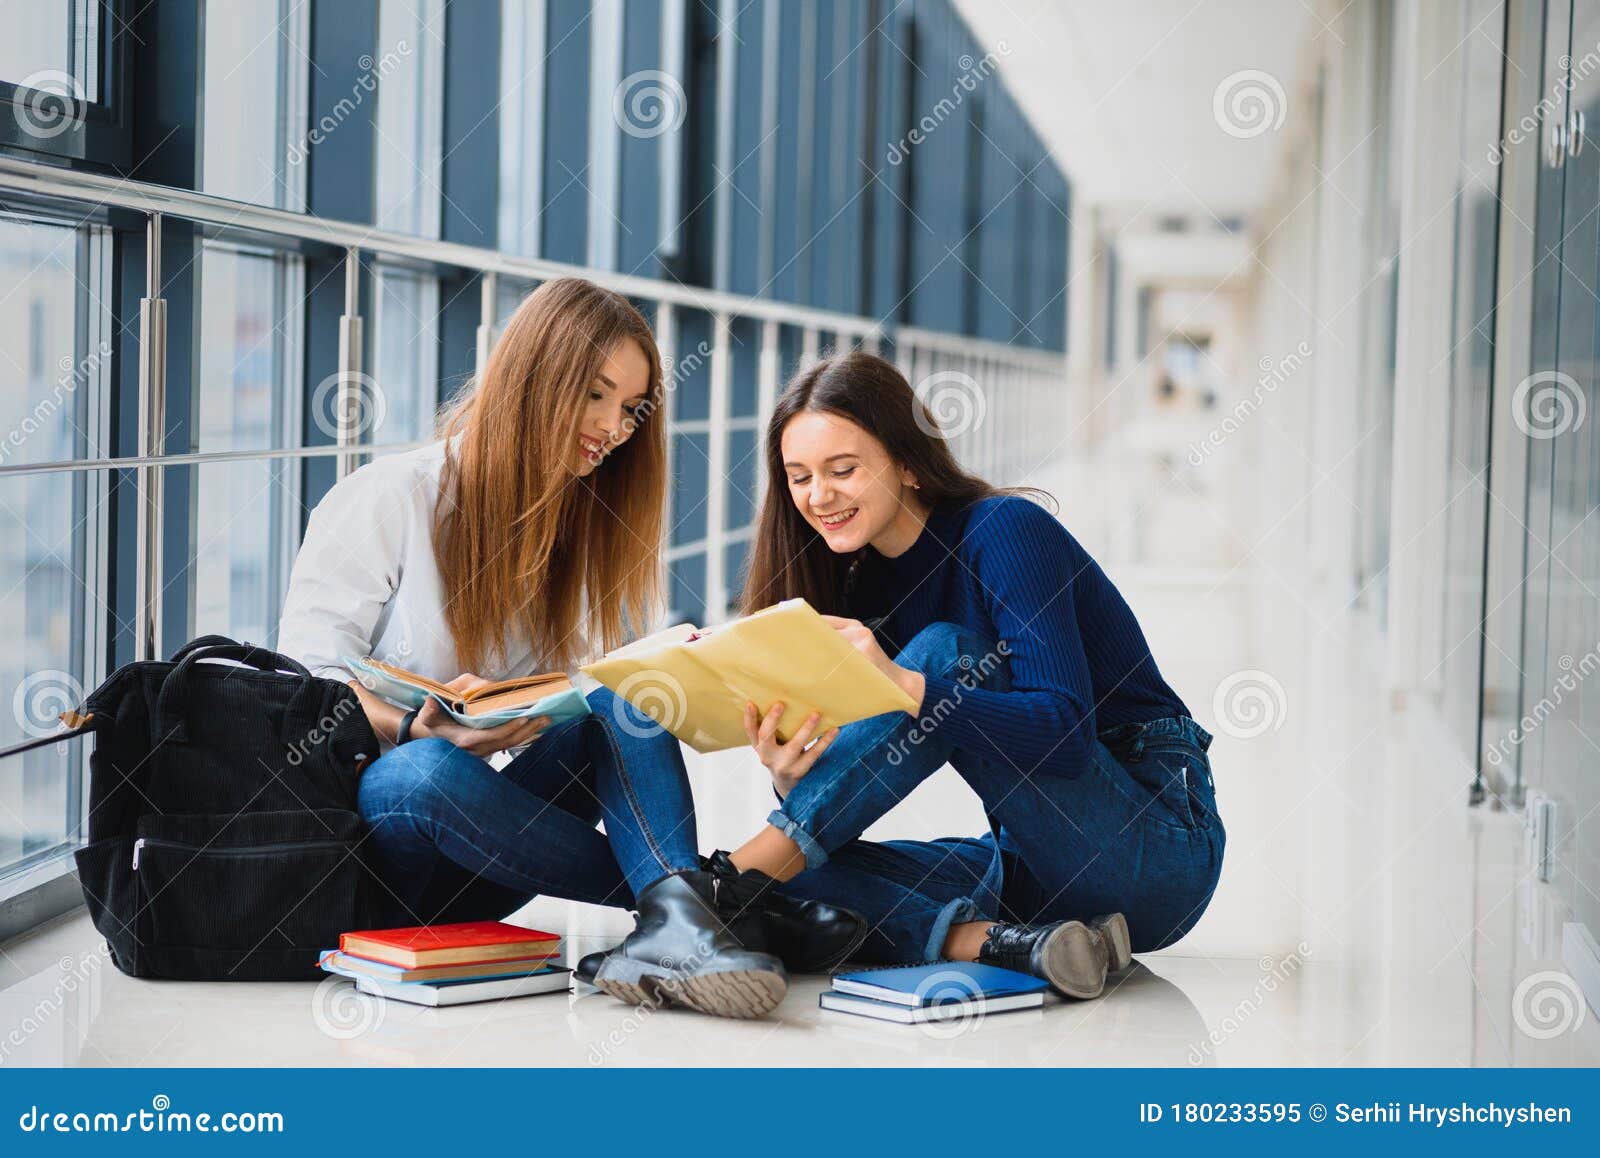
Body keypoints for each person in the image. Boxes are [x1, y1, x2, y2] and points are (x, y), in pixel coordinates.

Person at [277, 278, 859, 1019]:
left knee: (620, 694)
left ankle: (677, 919)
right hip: (381, 847)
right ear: (534, 377)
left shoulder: (572, 534)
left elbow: (579, 708)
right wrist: (416, 727)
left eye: (629, 410)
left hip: (487, 855)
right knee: (424, 770)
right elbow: (303, 686)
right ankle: (716, 907)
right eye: (595, 394)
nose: (614, 428)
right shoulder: (391, 497)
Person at [716, 350, 1226, 1000]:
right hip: (1033, 872)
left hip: (1152, 850)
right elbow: (850, 789)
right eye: (799, 477)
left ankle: (722, 883)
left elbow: (1065, 735)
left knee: (947, 656)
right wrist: (789, 776)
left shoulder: (1005, 531)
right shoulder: (864, 587)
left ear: (907, 462)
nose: (819, 496)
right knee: (798, 884)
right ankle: (1006, 944)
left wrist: (907, 685)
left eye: (843, 470)